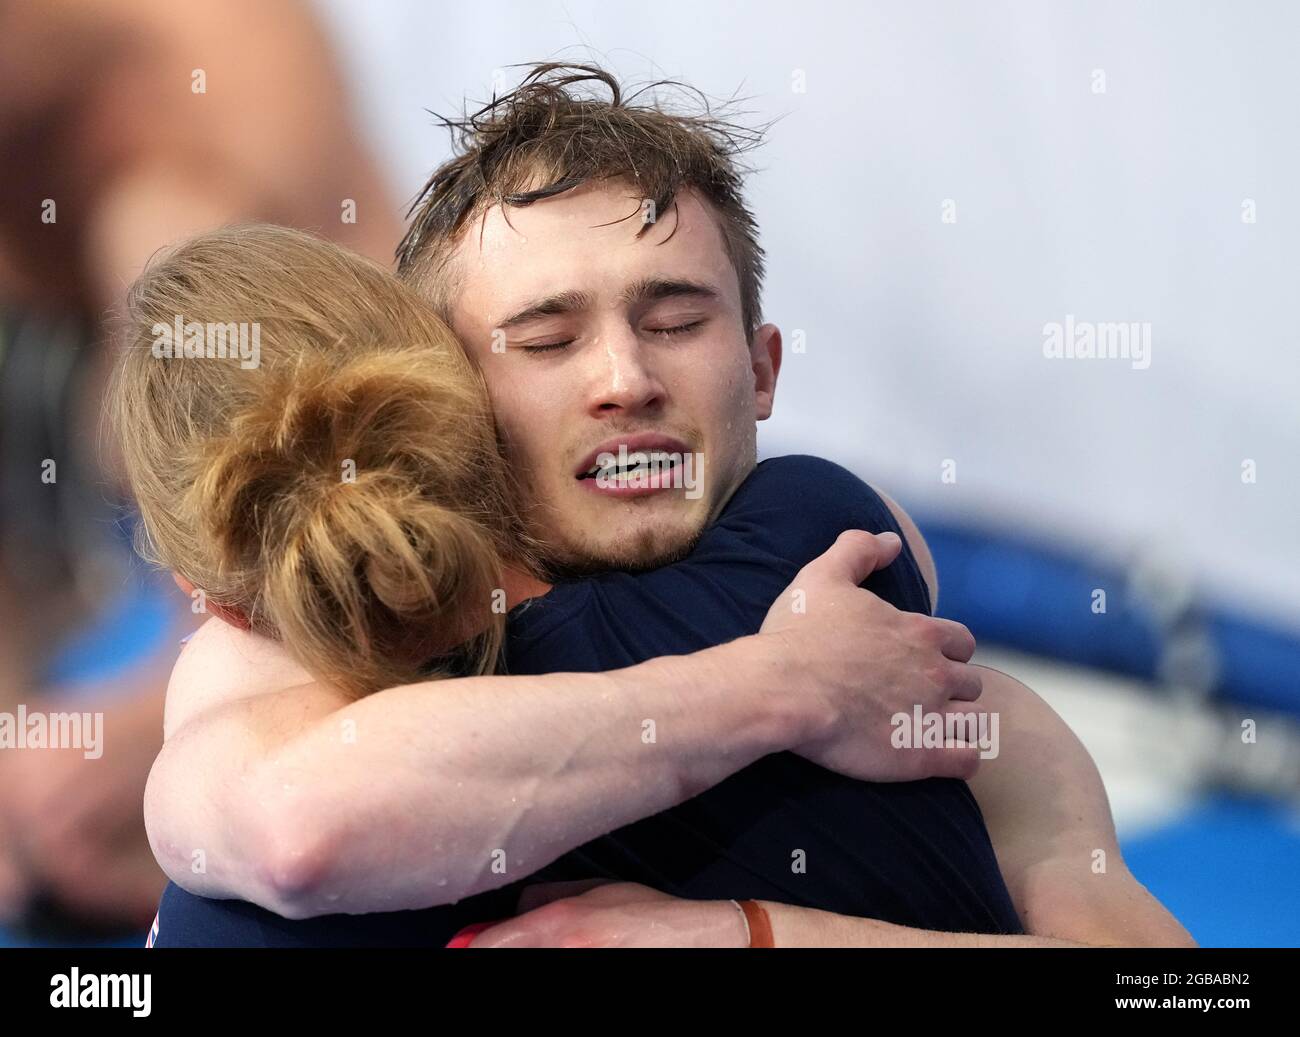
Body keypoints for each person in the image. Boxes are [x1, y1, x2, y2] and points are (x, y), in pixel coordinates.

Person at [139, 64, 1193, 946]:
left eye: (676, 319)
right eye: (546, 340)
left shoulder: (915, 672)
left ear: (761, 368)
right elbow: (297, 830)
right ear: (447, 399)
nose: (622, 377)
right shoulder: (302, 674)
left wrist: (755, 932)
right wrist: (784, 683)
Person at [0, 0, 400, 930]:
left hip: (319, 580)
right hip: (128, 615)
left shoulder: (228, 79)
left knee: (170, 239)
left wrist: (148, 729)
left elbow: (373, 517)